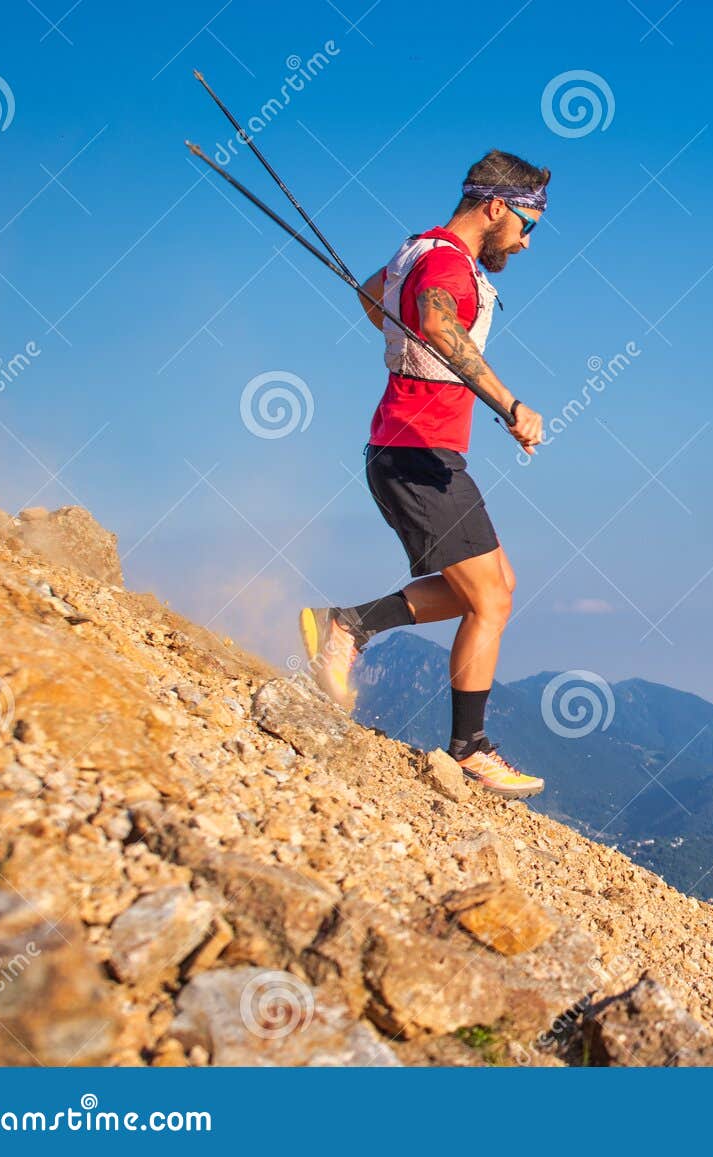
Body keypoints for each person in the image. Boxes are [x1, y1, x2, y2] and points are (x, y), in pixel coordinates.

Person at [298, 149, 549, 799]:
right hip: (418, 454)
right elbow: (436, 320)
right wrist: (511, 404)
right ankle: (468, 750)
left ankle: (349, 623)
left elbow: (369, 298)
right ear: (495, 206)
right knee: (490, 600)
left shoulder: (418, 251)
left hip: (411, 449)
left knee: (497, 587)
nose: (525, 242)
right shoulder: (445, 261)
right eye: (527, 224)